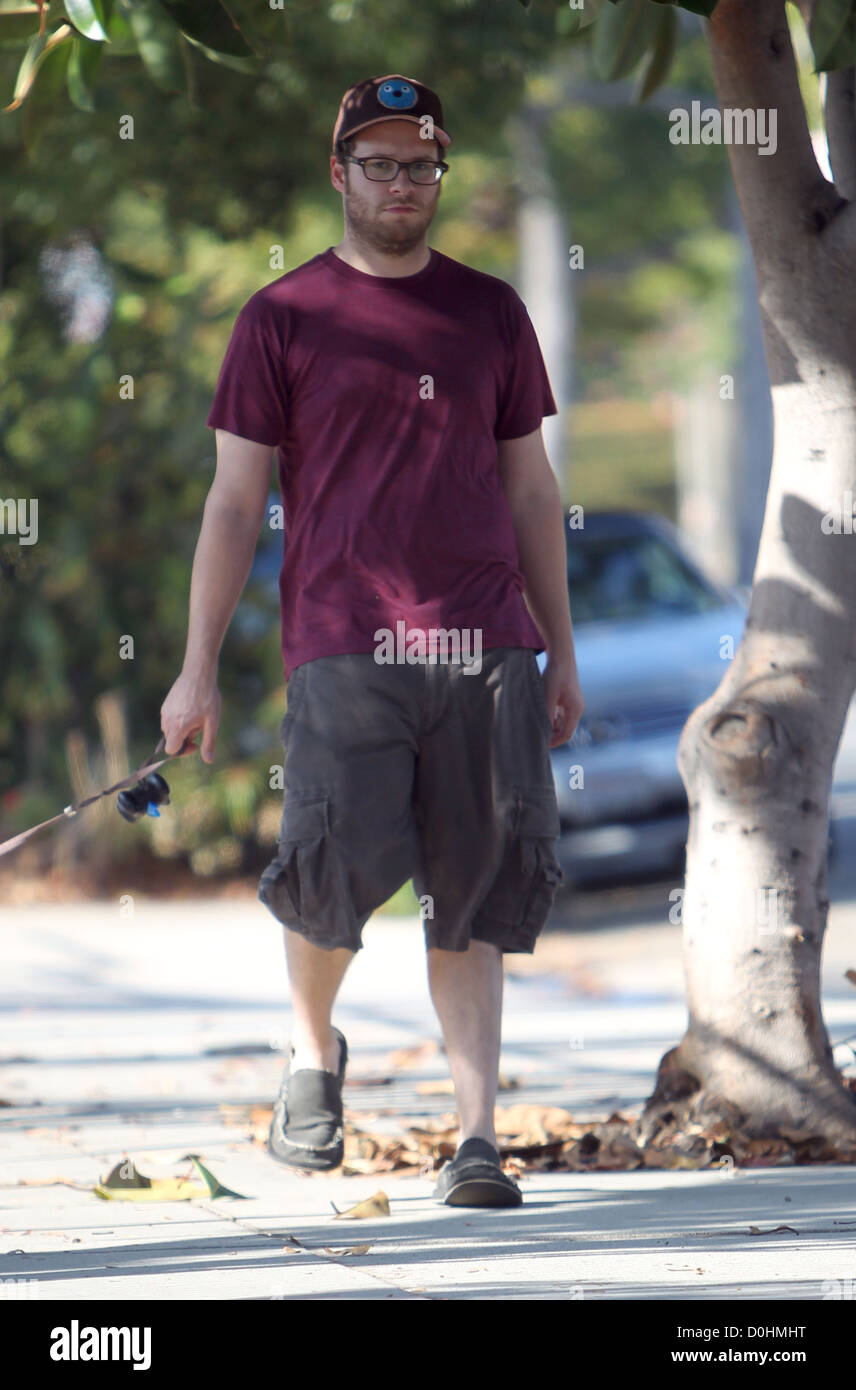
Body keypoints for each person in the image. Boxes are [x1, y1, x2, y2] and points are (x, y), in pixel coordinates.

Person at [160, 74, 584, 1207]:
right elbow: (233, 504)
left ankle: (478, 1136)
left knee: (474, 882)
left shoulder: (491, 311)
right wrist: (195, 668)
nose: (404, 184)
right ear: (339, 172)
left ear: (441, 174)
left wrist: (561, 651)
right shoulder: (282, 318)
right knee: (327, 867)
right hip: (344, 641)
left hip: (486, 641)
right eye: (381, 163)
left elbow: (532, 491)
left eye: (423, 165)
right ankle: (314, 1052)